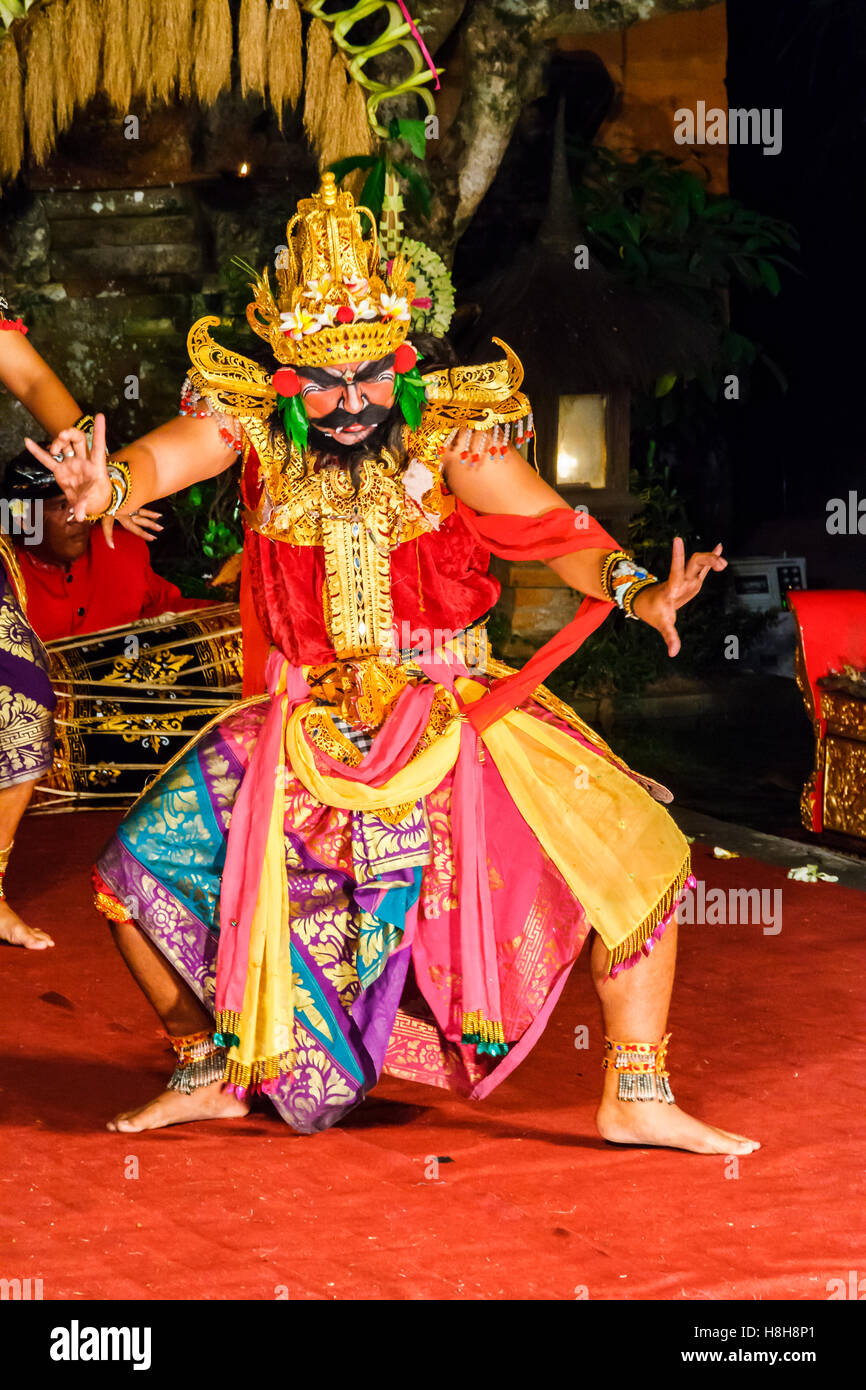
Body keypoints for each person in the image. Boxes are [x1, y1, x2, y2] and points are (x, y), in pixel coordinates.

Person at [28, 175, 758, 1155]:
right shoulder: (251, 430)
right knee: (130, 881)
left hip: (449, 716)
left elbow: (548, 525)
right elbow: (164, 459)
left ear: (403, 361)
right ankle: (203, 1063)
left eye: (367, 376)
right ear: (283, 373)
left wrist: (636, 589)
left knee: (633, 848)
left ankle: (635, 1088)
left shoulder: (449, 435)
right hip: (304, 729)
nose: (343, 402)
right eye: (319, 381)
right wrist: (105, 482)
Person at [3, 452, 210, 643]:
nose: (81, 516)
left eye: (85, 502)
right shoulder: (6, 580)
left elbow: (167, 608)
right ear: (25, 518)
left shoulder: (120, 546)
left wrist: (233, 618)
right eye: (63, 506)